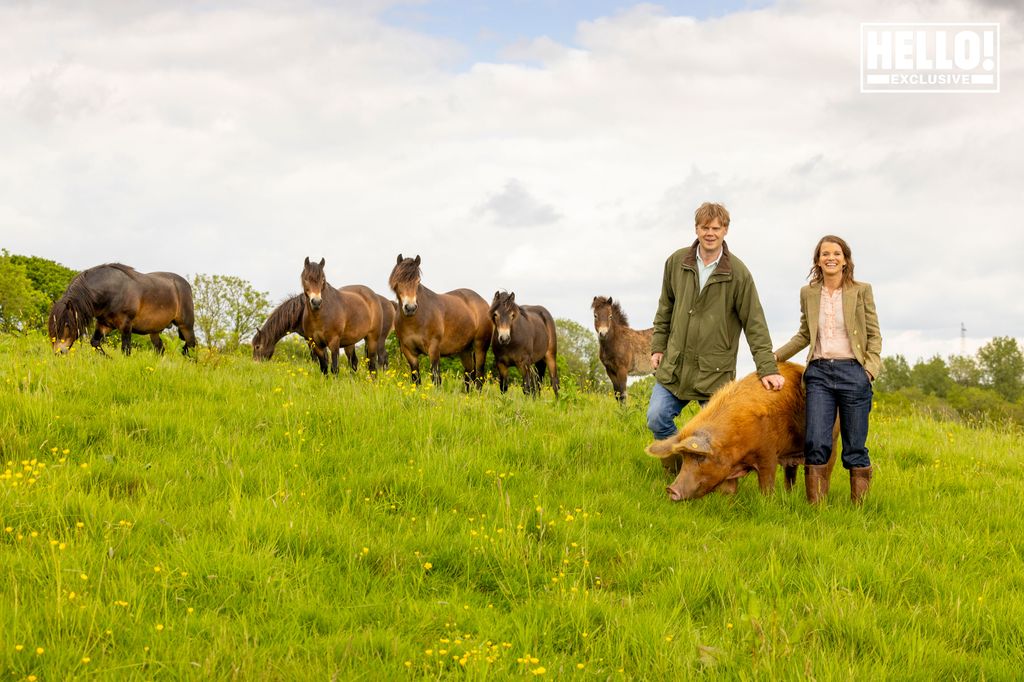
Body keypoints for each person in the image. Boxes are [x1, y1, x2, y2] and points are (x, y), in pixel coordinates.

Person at [648, 202, 784, 441]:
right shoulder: (676, 263)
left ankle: (704, 473)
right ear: (696, 229)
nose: (710, 233)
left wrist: (767, 369)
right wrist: (658, 347)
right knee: (657, 418)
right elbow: (665, 310)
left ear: (725, 230)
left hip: (715, 372)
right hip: (676, 366)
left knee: (715, 436)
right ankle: (680, 464)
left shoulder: (739, 273)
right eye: (704, 228)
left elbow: (755, 324)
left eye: (716, 228)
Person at [774, 235, 881, 505]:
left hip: (853, 372)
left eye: (836, 253)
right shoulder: (808, 293)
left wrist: (869, 370)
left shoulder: (861, 290)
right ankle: (816, 510)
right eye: (824, 254)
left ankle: (861, 510)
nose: (830, 258)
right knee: (816, 442)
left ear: (845, 259)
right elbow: (804, 335)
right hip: (819, 374)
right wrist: (774, 357)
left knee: (855, 445)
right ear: (818, 261)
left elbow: (874, 334)